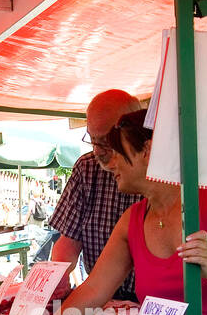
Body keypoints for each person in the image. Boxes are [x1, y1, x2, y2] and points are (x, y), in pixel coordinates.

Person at [60, 109, 207, 315]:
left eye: (118, 153)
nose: (111, 164)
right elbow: (94, 290)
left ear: (148, 150)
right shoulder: (131, 220)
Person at [49, 90, 142, 301]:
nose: (98, 151)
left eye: (106, 141)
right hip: (102, 296)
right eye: (92, 139)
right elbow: (69, 239)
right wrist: (58, 275)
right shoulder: (86, 168)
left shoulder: (160, 176)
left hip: (153, 301)